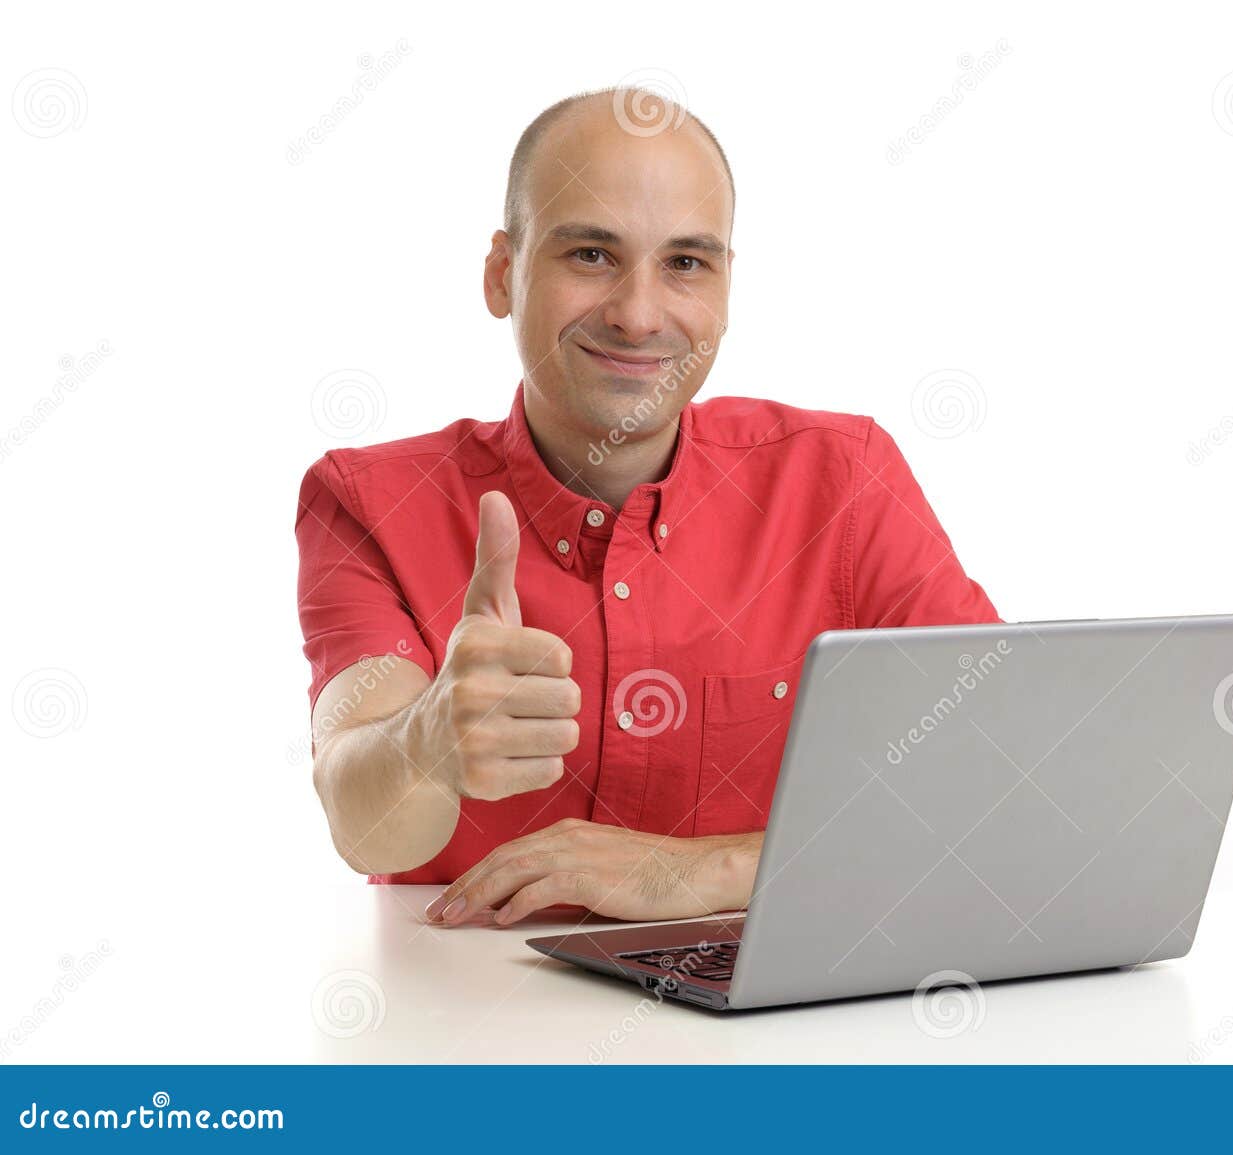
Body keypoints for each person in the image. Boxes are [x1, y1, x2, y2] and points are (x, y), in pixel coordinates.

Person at [294, 87, 1000, 929]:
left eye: (685, 263)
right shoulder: (367, 498)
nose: (637, 314)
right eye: (590, 254)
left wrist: (708, 870)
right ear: (500, 274)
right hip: (474, 1038)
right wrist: (428, 737)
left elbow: (997, 790)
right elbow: (363, 821)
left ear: (727, 285)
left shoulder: (844, 480)